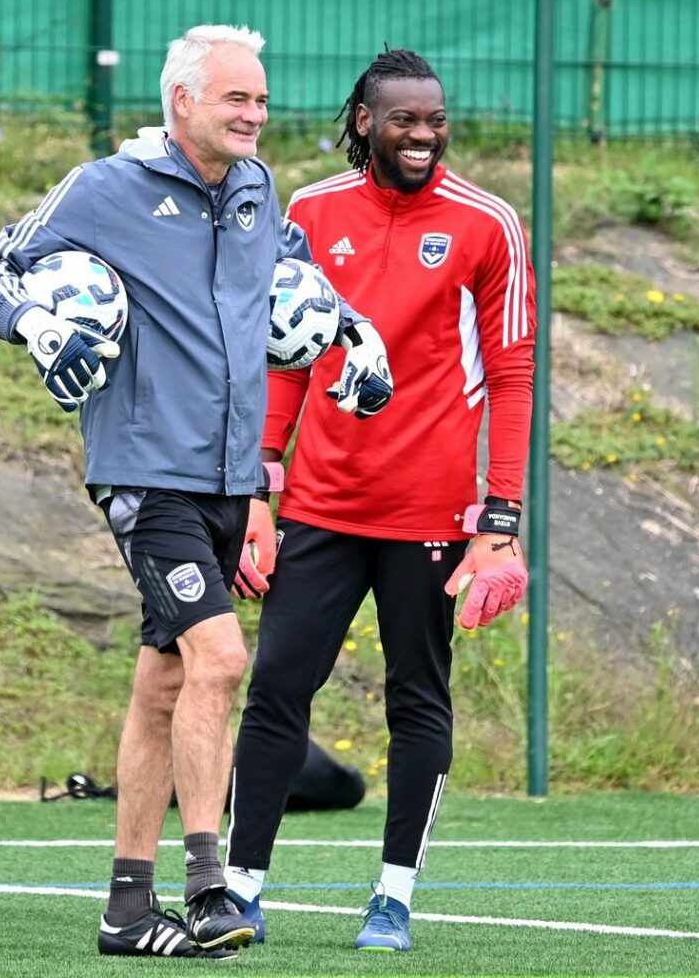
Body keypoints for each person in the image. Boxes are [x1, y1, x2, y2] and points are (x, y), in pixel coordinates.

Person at [0, 24, 389, 959]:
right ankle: (209, 888)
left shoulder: (254, 189)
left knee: (163, 685)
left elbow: (294, 278)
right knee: (222, 660)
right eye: (238, 99)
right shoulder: (102, 188)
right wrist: (37, 322)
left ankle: (125, 909)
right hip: (144, 473)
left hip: (231, 480)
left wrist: (353, 334)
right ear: (182, 100)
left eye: (264, 101)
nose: (256, 117)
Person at [223, 49, 537, 953]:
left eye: (435, 119)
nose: (424, 134)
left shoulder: (489, 224)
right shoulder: (312, 210)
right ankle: (242, 887)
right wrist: (262, 476)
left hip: (433, 517)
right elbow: (289, 350)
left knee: (417, 700)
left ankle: (393, 897)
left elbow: (512, 375)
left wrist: (501, 518)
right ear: (365, 120)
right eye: (405, 119)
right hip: (319, 505)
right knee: (278, 686)